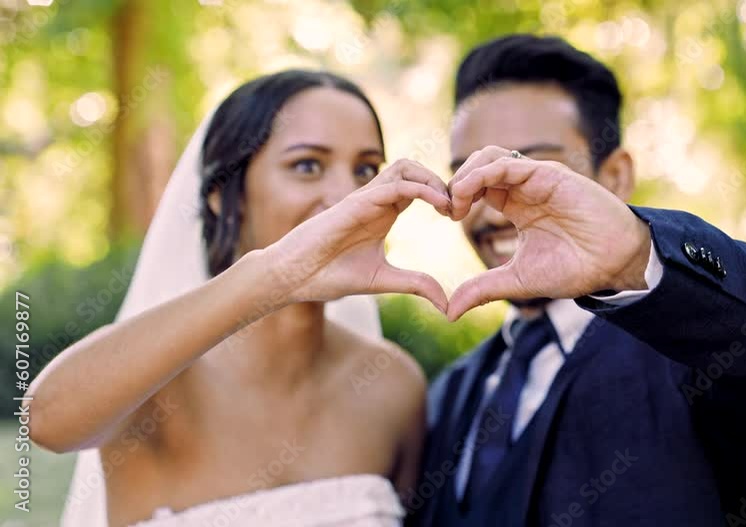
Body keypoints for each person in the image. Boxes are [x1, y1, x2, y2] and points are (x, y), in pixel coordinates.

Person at [407, 34, 746, 526]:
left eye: (522, 166)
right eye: (467, 173)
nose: (493, 202)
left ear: (616, 176)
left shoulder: (692, 357)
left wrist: (636, 250)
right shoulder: (447, 393)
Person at [30, 69, 452, 527]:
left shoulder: (391, 387)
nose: (346, 197)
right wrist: (276, 274)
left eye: (366, 170)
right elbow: (46, 421)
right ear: (221, 194)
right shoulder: (151, 378)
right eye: (307, 165)